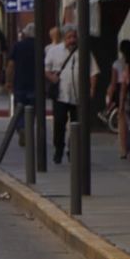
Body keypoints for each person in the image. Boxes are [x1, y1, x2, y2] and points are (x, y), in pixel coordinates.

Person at [44, 24, 98, 164]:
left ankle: (72, 149)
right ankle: (59, 149)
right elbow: (46, 69)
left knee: (77, 125)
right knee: (59, 123)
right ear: (63, 38)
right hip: (61, 95)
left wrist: (92, 89)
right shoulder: (54, 51)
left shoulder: (84, 51)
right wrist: (52, 77)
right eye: (69, 37)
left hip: (78, 95)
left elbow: (93, 72)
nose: (72, 40)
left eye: (74, 37)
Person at [104, 40, 130, 159]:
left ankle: (123, 149)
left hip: (121, 92)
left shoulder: (117, 64)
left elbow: (113, 83)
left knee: (122, 121)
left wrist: (109, 98)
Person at [5, 23, 37, 113]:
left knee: (19, 109)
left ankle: (21, 126)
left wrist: (8, 81)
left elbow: (11, 65)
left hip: (19, 82)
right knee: (32, 110)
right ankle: (30, 125)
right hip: (35, 83)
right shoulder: (39, 46)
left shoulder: (17, 46)